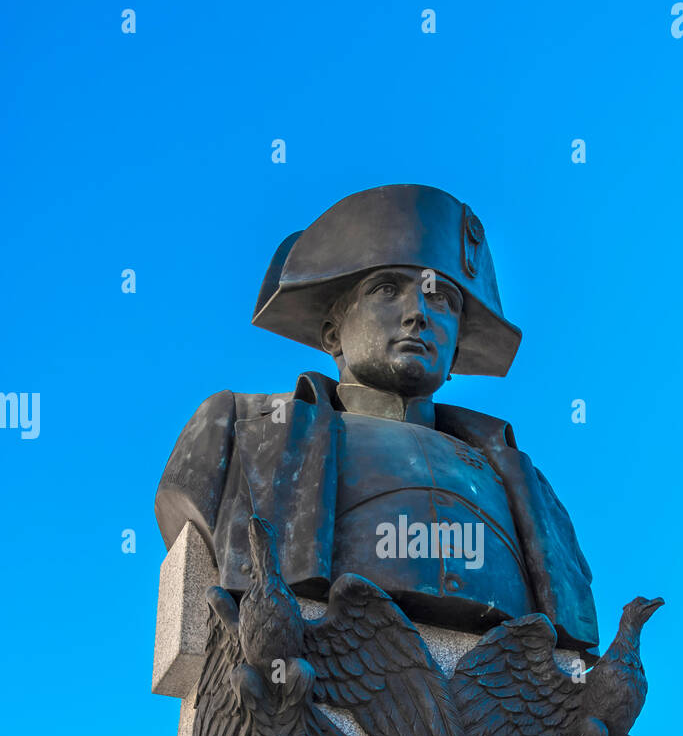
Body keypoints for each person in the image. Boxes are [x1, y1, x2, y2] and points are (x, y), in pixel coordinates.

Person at [156, 184, 598, 652]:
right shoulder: (237, 429)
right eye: (388, 289)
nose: (419, 314)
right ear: (332, 333)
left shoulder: (519, 480)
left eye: (443, 299)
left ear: (455, 354)